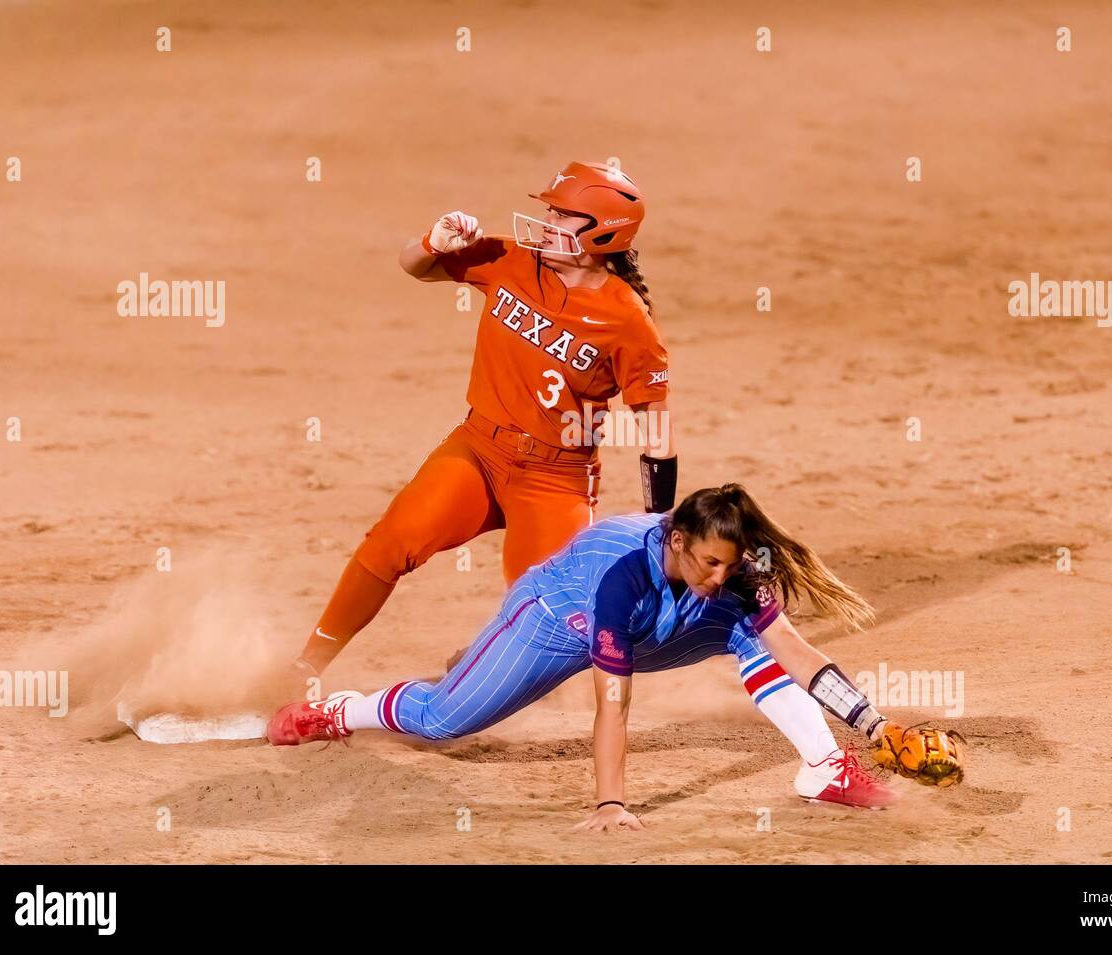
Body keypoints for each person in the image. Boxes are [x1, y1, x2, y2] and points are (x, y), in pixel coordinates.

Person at [269, 485, 904, 826]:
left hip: (657, 626)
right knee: (444, 721)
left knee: (752, 632)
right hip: (557, 621)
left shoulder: (734, 569)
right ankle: (346, 712)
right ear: (677, 541)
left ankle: (824, 766)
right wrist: (610, 805)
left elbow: (795, 650)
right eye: (709, 562)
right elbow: (613, 705)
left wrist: (875, 723)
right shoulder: (621, 573)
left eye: (728, 564)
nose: (720, 574)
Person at [290, 162, 677, 685]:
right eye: (550, 209)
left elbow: (656, 429)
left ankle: (474, 664)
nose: (546, 221)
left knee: (548, 621)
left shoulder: (627, 319)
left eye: (562, 214)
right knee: (390, 542)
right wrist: (433, 242)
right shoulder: (510, 260)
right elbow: (416, 268)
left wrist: (661, 523)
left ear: (602, 233)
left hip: (555, 478)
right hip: (478, 449)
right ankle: (303, 668)